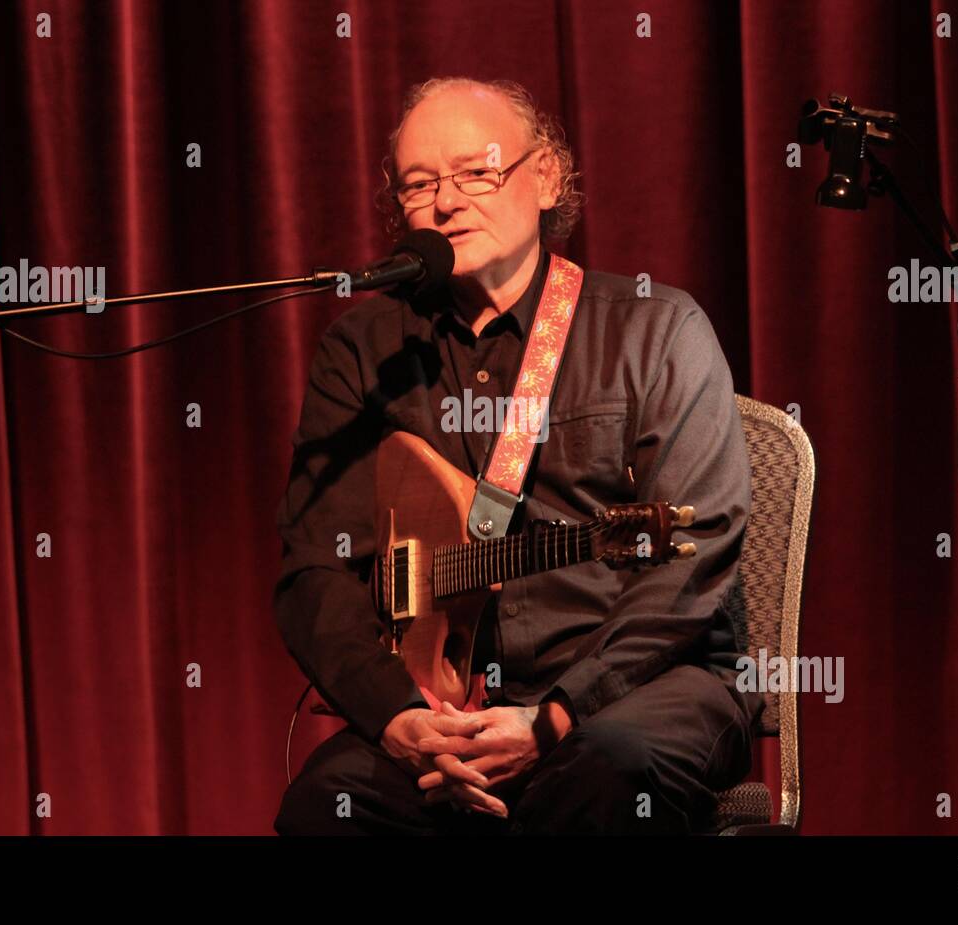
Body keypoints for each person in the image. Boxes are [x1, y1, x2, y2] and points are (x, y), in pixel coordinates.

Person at [273, 77, 761, 835]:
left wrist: (555, 716)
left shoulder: (658, 330)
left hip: (638, 689)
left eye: (476, 172)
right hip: (441, 710)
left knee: (607, 768)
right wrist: (397, 715)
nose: (445, 202)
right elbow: (314, 569)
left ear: (546, 177)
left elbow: (691, 559)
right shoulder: (361, 351)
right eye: (418, 185)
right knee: (326, 802)